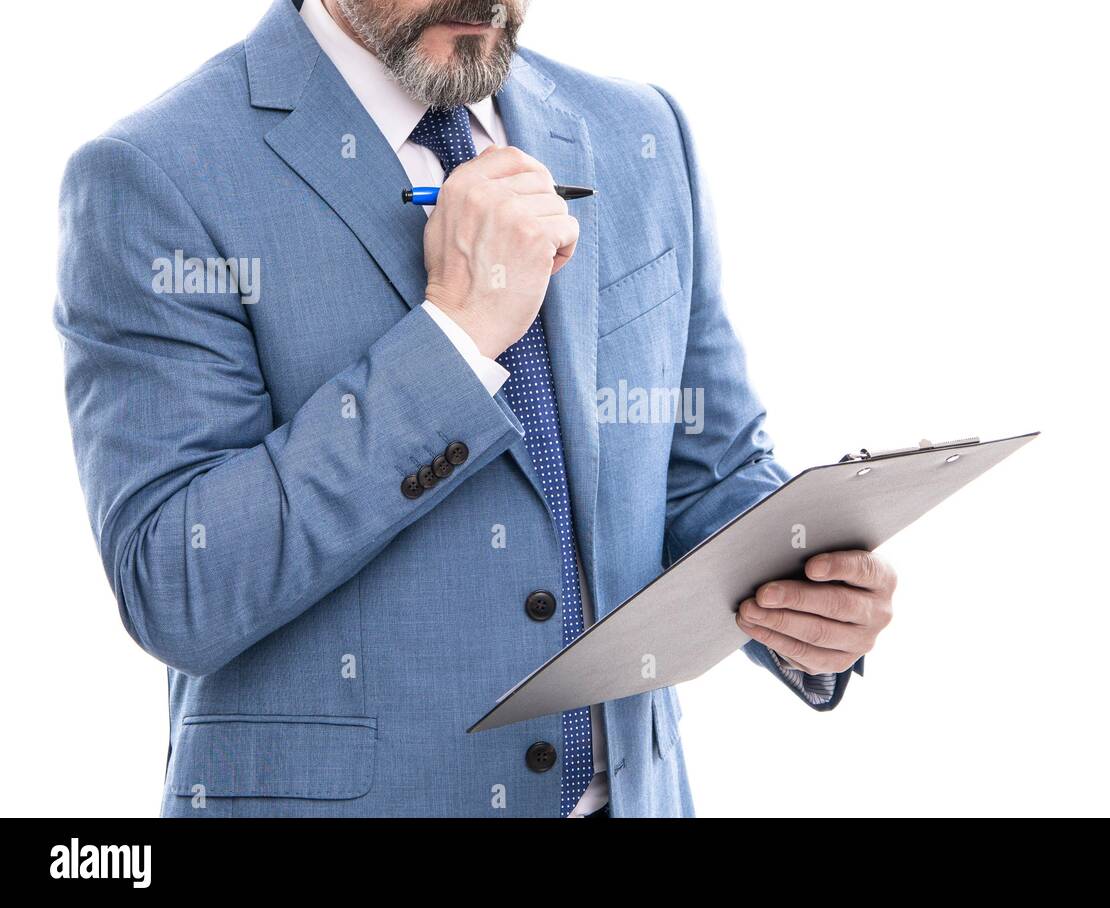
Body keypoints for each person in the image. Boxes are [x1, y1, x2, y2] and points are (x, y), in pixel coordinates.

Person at [54, 0, 896, 817]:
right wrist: (456, 339)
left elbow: (706, 472)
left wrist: (806, 599)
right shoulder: (157, 173)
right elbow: (178, 585)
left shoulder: (639, 134)